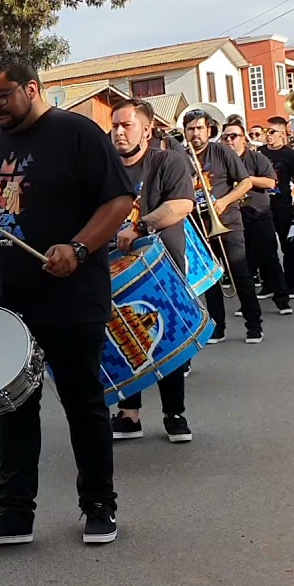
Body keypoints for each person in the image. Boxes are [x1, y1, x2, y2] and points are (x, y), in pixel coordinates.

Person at [0, 51, 134, 549]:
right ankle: (15, 512)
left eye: (3, 95)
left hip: (71, 296)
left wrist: (80, 246)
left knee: (83, 403)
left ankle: (99, 505)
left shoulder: (77, 134)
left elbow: (119, 200)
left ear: (32, 87)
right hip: (9, 300)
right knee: (15, 407)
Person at [109, 99, 196, 443]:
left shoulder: (167, 162)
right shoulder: (105, 167)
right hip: (116, 268)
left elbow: (182, 205)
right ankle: (129, 415)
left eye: (125, 125)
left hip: (162, 267)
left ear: (146, 129)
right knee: (123, 340)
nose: (118, 132)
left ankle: (175, 414)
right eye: (114, 125)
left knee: (166, 340)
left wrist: (141, 227)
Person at [182, 109, 260, 343]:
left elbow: (245, 182)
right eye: (191, 129)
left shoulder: (221, 151)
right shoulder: (181, 158)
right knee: (210, 279)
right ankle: (218, 326)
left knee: (240, 274)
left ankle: (253, 324)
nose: (195, 133)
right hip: (199, 225)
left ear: (209, 130)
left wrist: (224, 201)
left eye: (199, 128)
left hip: (228, 221)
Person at [222, 121, 292, 315]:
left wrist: (246, 180)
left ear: (243, 139)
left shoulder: (256, 158)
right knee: (242, 265)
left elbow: (270, 181)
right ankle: (247, 305)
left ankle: (282, 300)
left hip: (258, 214)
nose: (229, 140)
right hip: (235, 217)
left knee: (269, 258)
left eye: (233, 136)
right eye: (225, 137)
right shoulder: (222, 161)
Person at [260, 118, 294, 299]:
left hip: (283, 205)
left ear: (282, 134)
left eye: (272, 132)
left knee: (288, 245)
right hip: (264, 206)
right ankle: (269, 283)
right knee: (265, 246)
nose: (268, 135)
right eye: (266, 131)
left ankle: (290, 284)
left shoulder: (289, 155)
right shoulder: (260, 153)